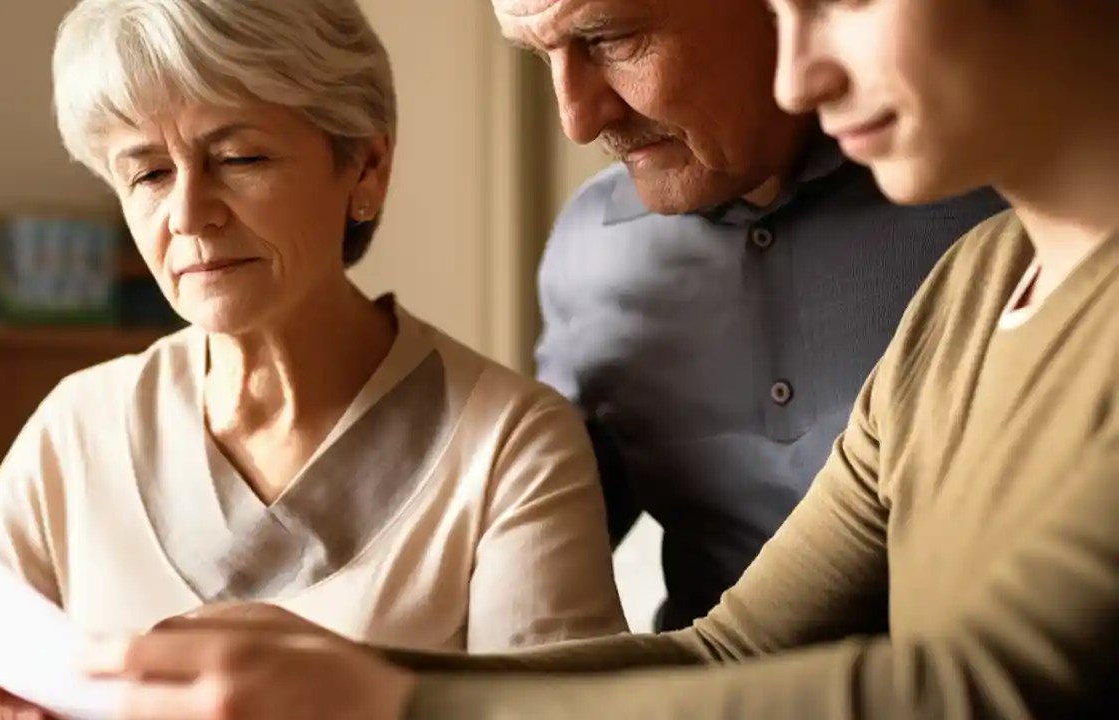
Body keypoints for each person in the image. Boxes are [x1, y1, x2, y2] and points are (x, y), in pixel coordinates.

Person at [82, 0, 1119, 717]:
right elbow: (733, 644)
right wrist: (331, 672)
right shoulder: (972, 287)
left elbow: (992, 688)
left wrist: (393, 702)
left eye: (838, 2)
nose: (799, 71)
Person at [0, 1, 629, 719]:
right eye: (149, 173)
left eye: (239, 158)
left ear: (366, 166)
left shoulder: (512, 446)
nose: (188, 214)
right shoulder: (78, 427)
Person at [527, 0, 1005, 628]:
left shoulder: (1007, 201)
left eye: (611, 39)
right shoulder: (589, 244)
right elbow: (539, 546)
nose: (578, 121)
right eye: (542, 56)